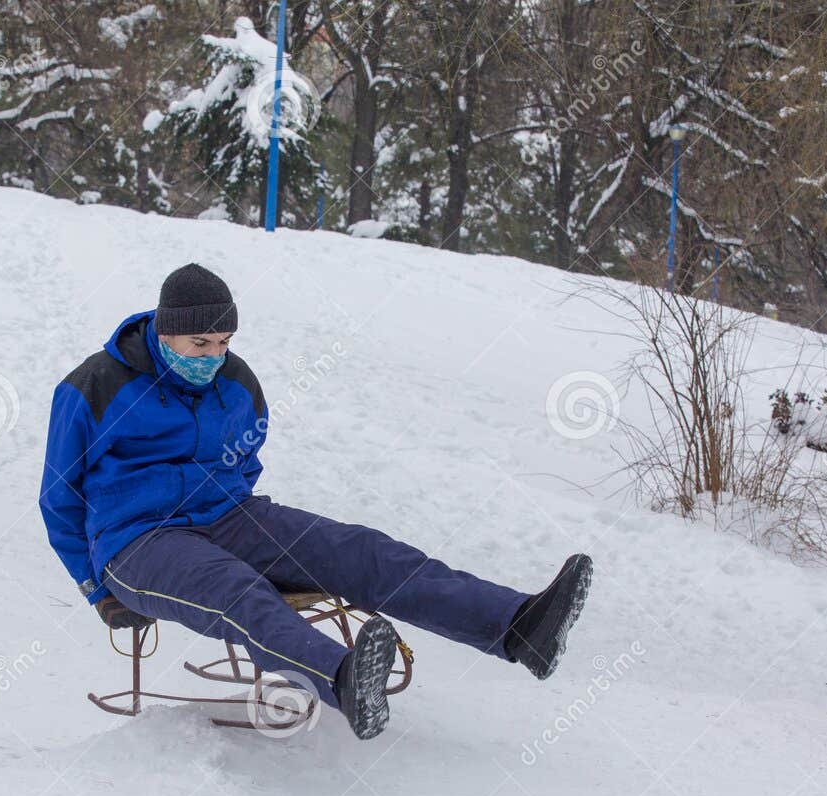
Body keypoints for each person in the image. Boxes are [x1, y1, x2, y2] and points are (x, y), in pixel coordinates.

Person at [40, 262, 592, 739]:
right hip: (136, 541)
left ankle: (519, 626)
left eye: (225, 342)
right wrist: (94, 589)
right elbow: (58, 498)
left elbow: (246, 456)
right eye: (200, 345)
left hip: (228, 515)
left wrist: (241, 521)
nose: (213, 357)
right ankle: (343, 679)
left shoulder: (236, 381)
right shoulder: (94, 386)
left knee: (361, 551)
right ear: (165, 333)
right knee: (237, 590)